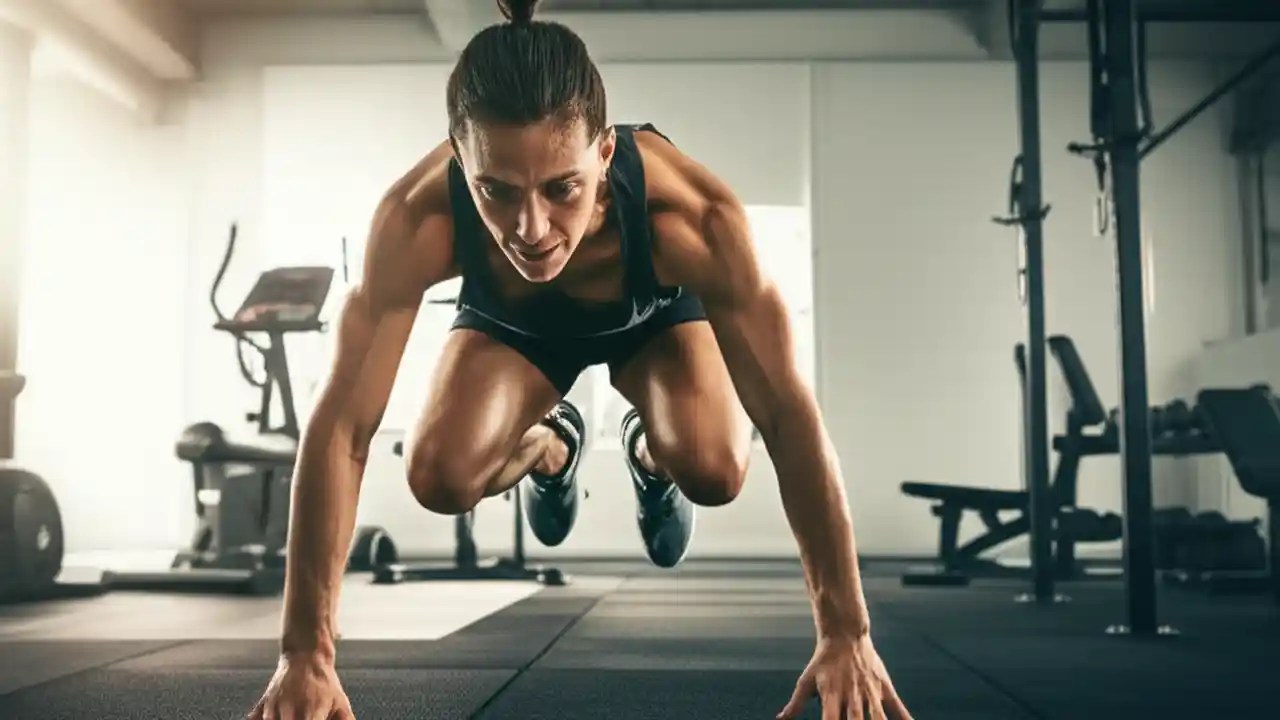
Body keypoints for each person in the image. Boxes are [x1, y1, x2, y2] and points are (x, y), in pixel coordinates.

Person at [248, 1, 911, 718]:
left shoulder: (693, 217)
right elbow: (342, 426)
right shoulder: (417, 217)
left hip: (650, 321)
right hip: (516, 328)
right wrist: (305, 653)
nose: (530, 229)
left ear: (603, 152)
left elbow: (785, 413)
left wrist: (847, 630)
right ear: (461, 158)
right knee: (437, 479)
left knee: (715, 470)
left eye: (561, 188)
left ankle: (649, 454)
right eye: (494, 191)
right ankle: (552, 447)